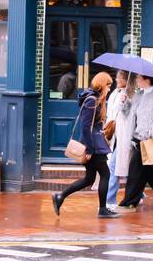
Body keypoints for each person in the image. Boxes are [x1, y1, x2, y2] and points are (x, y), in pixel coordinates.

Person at [51, 72, 118, 219]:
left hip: (94, 143)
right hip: (93, 145)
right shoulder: (92, 101)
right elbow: (85, 127)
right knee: (106, 174)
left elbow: (93, 125)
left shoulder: (95, 99)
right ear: (102, 84)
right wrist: (90, 149)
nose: (109, 89)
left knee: (89, 179)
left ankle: (60, 196)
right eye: (108, 86)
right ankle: (102, 209)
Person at [117, 73, 153, 211]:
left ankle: (129, 203)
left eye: (139, 78)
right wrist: (124, 102)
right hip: (137, 138)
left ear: (147, 80)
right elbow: (128, 115)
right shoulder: (138, 95)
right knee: (148, 172)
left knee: (135, 172)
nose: (136, 80)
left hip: (148, 139)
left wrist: (150, 134)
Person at [104, 69, 135, 210]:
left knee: (114, 167)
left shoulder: (132, 95)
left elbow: (128, 113)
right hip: (113, 135)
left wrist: (125, 103)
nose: (116, 79)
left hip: (124, 136)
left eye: (118, 77)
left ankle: (110, 201)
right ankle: (137, 195)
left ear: (125, 79)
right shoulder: (115, 93)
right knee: (127, 168)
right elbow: (110, 112)